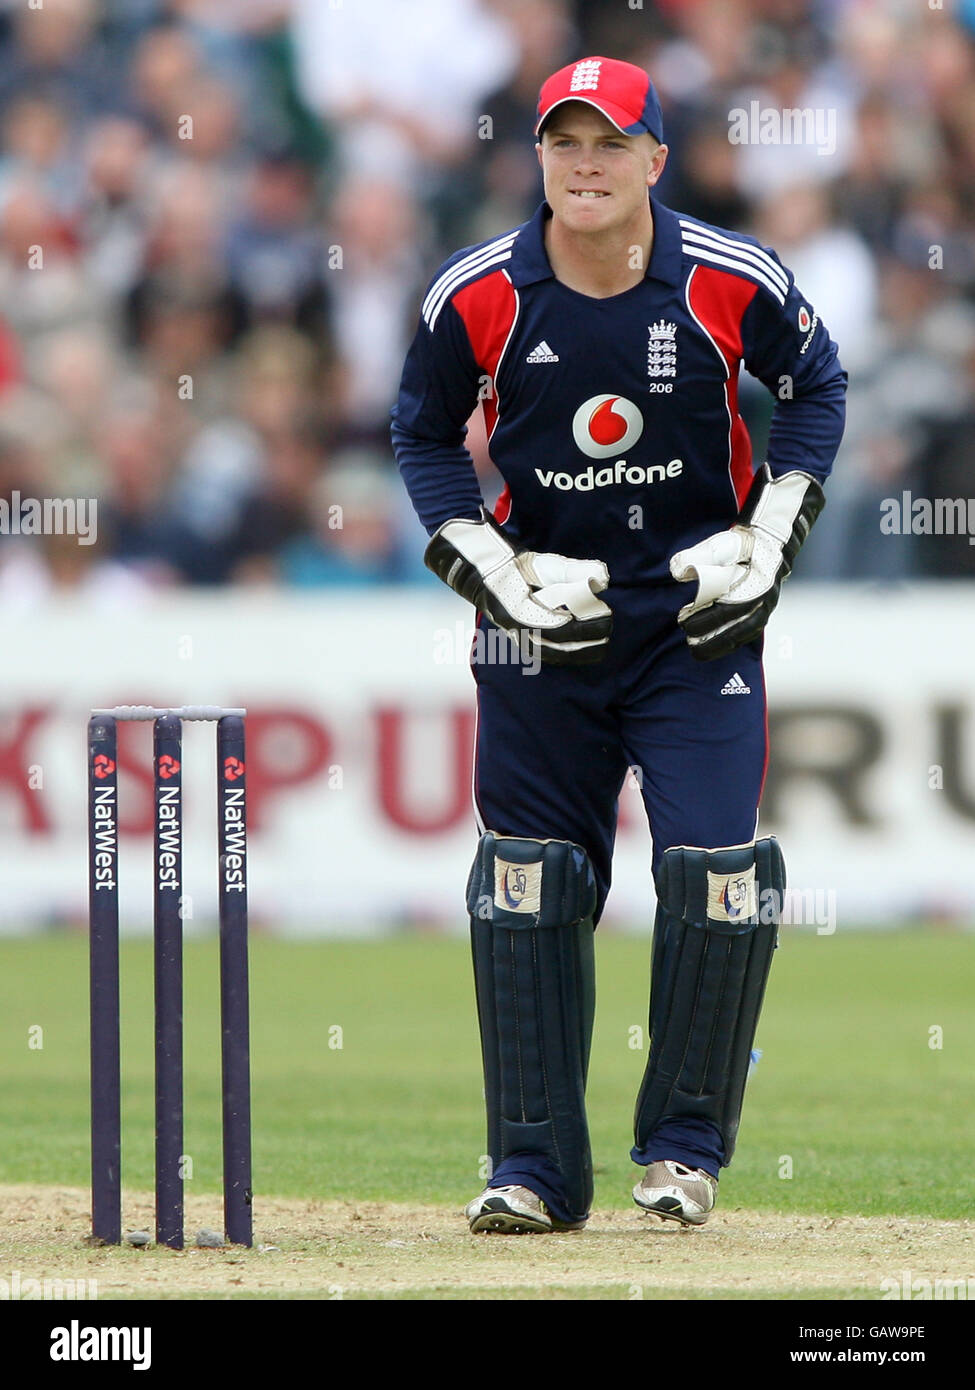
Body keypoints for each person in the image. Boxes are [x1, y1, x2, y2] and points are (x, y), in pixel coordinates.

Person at [391, 56, 846, 1234]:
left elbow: (818, 387)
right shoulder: (479, 291)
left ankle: (684, 1151)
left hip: (695, 624)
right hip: (542, 626)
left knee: (718, 879)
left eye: (610, 142)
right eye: (563, 142)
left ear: (657, 158)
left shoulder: (726, 275)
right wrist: (486, 569)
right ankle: (534, 1170)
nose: (583, 164)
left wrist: (772, 532)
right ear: (537, 156)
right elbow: (423, 433)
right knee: (528, 884)